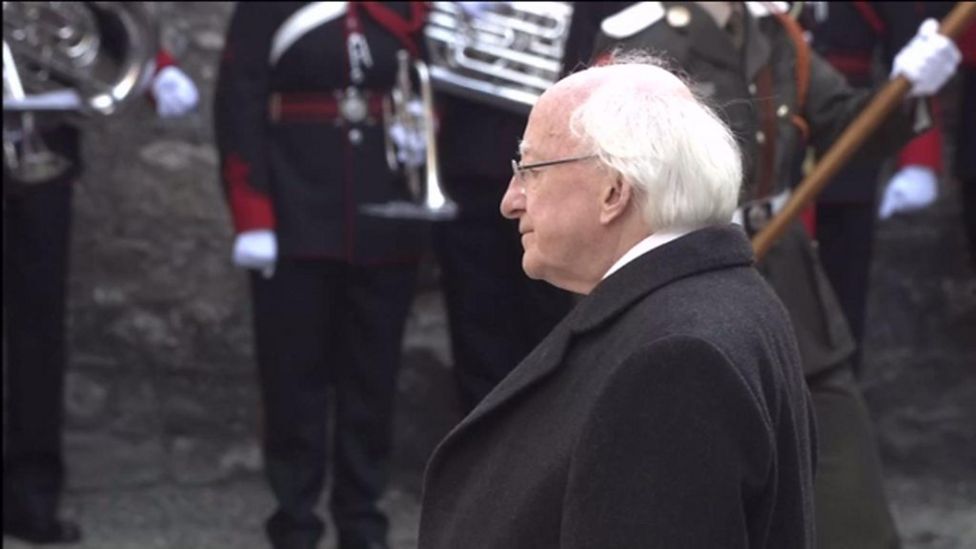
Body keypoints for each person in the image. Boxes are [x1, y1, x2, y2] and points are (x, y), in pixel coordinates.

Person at [575, 2, 961, 548]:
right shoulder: (637, 39)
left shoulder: (776, 34)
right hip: (681, 287)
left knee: (850, 502)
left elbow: (845, 127)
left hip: (784, 285)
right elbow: (603, 173)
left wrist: (906, 90)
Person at [419, 56, 816, 549]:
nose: (510, 200)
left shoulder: (674, 359)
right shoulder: (711, 299)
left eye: (531, 169)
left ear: (613, 191)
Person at [213, 3, 429, 549]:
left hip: (385, 216)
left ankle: (362, 521)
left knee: (372, 382)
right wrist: (253, 215)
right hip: (295, 215)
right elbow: (238, 100)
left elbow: (431, 84)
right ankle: (295, 522)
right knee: (293, 381)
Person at [2, 9, 198, 543]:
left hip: (41, 144)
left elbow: (100, 16)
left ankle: (30, 496)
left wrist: (156, 67)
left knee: (39, 326)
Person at [432, 3, 574, 413]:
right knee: (477, 329)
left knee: (553, 326)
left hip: (564, 167)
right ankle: (485, 462)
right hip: (469, 170)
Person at [805, 1, 944, 372]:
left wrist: (918, 161)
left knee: (841, 316)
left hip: (847, 157)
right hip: (763, 159)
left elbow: (915, 62)